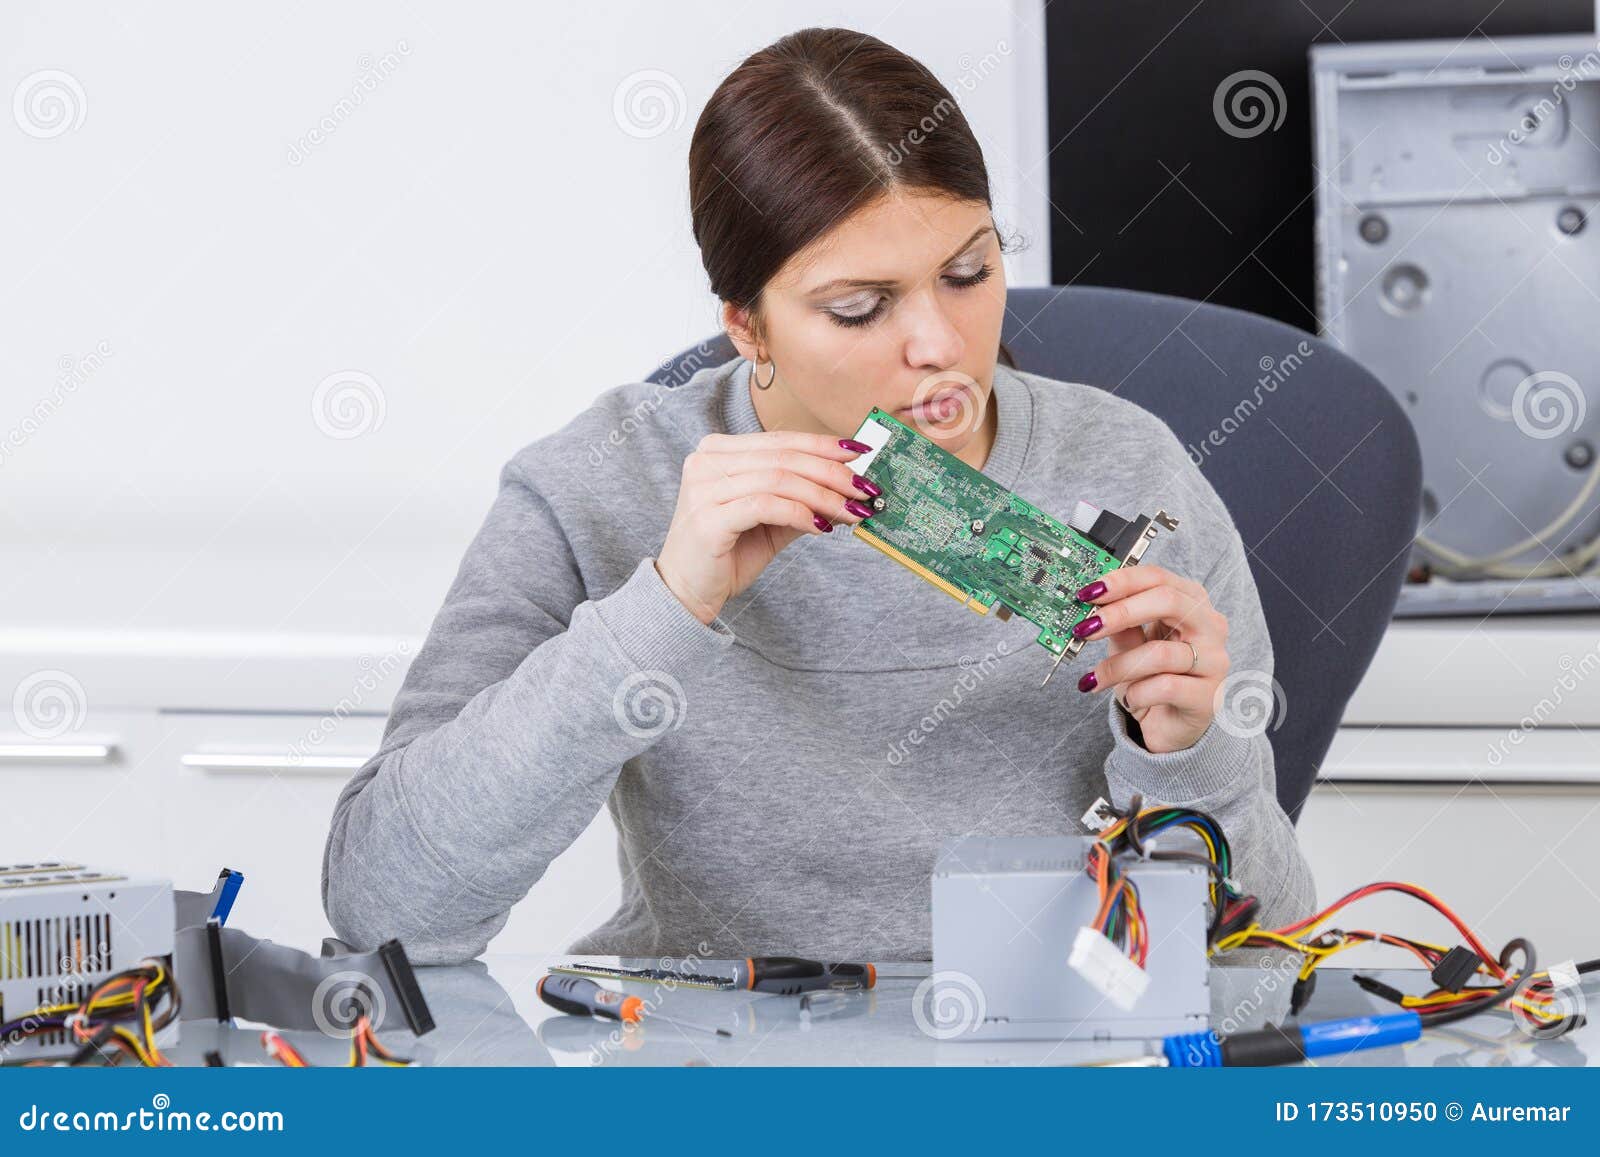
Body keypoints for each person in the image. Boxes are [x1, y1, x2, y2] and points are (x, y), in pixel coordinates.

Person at [322, 27, 1316, 965]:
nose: (938, 343)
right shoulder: (603, 480)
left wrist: (1189, 756)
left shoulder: (1127, 467)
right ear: (746, 327)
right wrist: (661, 608)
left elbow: (1264, 948)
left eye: (968, 271)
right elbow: (386, 904)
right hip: (712, 1061)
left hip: (1051, 1055)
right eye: (858, 307)